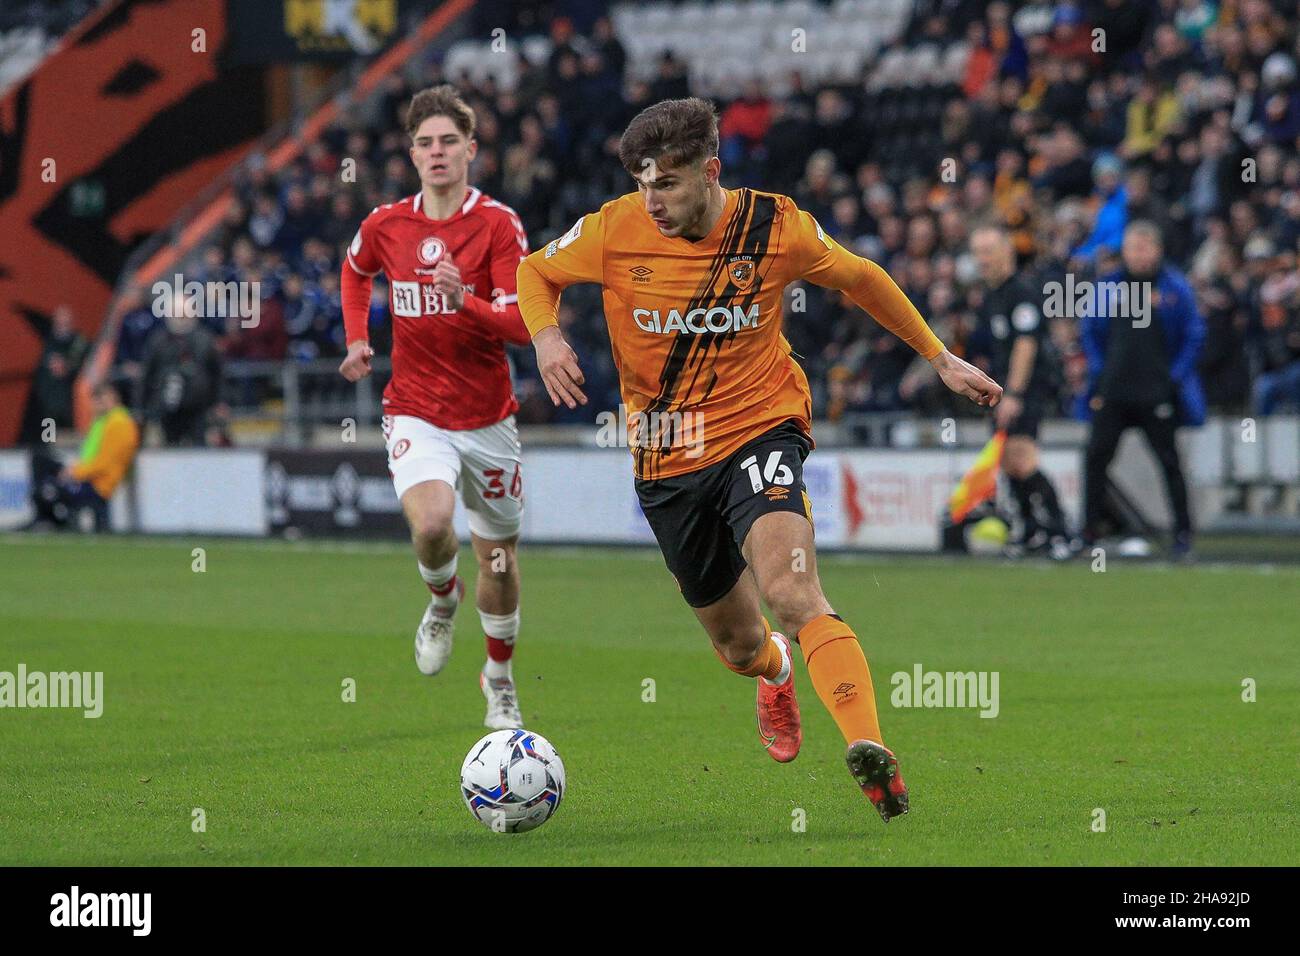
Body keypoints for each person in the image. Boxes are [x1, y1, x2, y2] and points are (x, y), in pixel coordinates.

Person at [516, 98, 1001, 822]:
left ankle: (870, 751)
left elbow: (860, 276)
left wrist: (938, 355)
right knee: (740, 643)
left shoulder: (775, 227)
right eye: (644, 184)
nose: (652, 201)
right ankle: (774, 671)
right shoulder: (613, 229)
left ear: (712, 171)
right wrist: (548, 339)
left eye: (669, 185)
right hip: (665, 456)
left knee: (794, 591)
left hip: (760, 429)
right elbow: (533, 272)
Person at [338, 85, 533, 730]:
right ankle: (442, 600)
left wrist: (463, 300)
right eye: (425, 142)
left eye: (449, 140)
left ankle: (498, 677)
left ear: (472, 149)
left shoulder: (498, 225)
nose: (437, 151)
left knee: (499, 563)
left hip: (490, 420)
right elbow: (354, 269)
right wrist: (358, 337)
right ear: (412, 153)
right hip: (416, 409)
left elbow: (522, 322)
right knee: (430, 525)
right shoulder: (387, 223)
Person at [1081, 221, 1205, 559]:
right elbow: (1089, 330)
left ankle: (1183, 534)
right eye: (1132, 247)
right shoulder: (1108, 286)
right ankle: (1088, 533)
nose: (1137, 254)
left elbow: (1194, 333)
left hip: (1156, 391)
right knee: (1095, 458)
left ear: (1157, 249)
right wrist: (1099, 370)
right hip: (1113, 390)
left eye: (1144, 247)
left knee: (1169, 463)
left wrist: (1174, 376)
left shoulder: (1174, 287)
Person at [967, 224, 1073, 558]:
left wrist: (1013, 394)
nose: (981, 259)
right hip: (1003, 390)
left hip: (1025, 389)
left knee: (1022, 459)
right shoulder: (992, 295)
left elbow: (1025, 346)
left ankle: (1061, 532)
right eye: (977, 252)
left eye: (988, 251)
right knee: (1009, 462)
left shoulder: (1021, 293)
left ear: (1006, 253)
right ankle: (1031, 530)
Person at [29, 382, 139, 532]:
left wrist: (74, 473)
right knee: (40, 461)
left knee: (46, 492)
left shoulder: (119, 423)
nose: (95, 405)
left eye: (100, 399)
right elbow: (91, 455)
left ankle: (53, 523)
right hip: (87, 476)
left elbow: (103, 463)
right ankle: (48, 521)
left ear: (113, 398)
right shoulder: (102, 421)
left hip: (96, 484)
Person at [137, 295, 224, 446]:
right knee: (170, 447)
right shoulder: (157, 341)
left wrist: (219, 401)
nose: (182, 316)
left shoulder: (204, 339)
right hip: (167, 406)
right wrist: (141, 407)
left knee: (199, 447)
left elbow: (217, 374)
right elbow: (147, 376)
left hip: (198, 407)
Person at [18, 305, 89, 446]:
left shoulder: (79, 342)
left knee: (73, 436)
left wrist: (67, 368)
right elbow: (41, 371)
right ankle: (48, 450)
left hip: (72, 398)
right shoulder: (47, 342)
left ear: (72, 321)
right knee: (48, 436)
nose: (62, 323)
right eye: (59, 320)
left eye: (66, 320)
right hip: (49, 400)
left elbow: (85, 366)